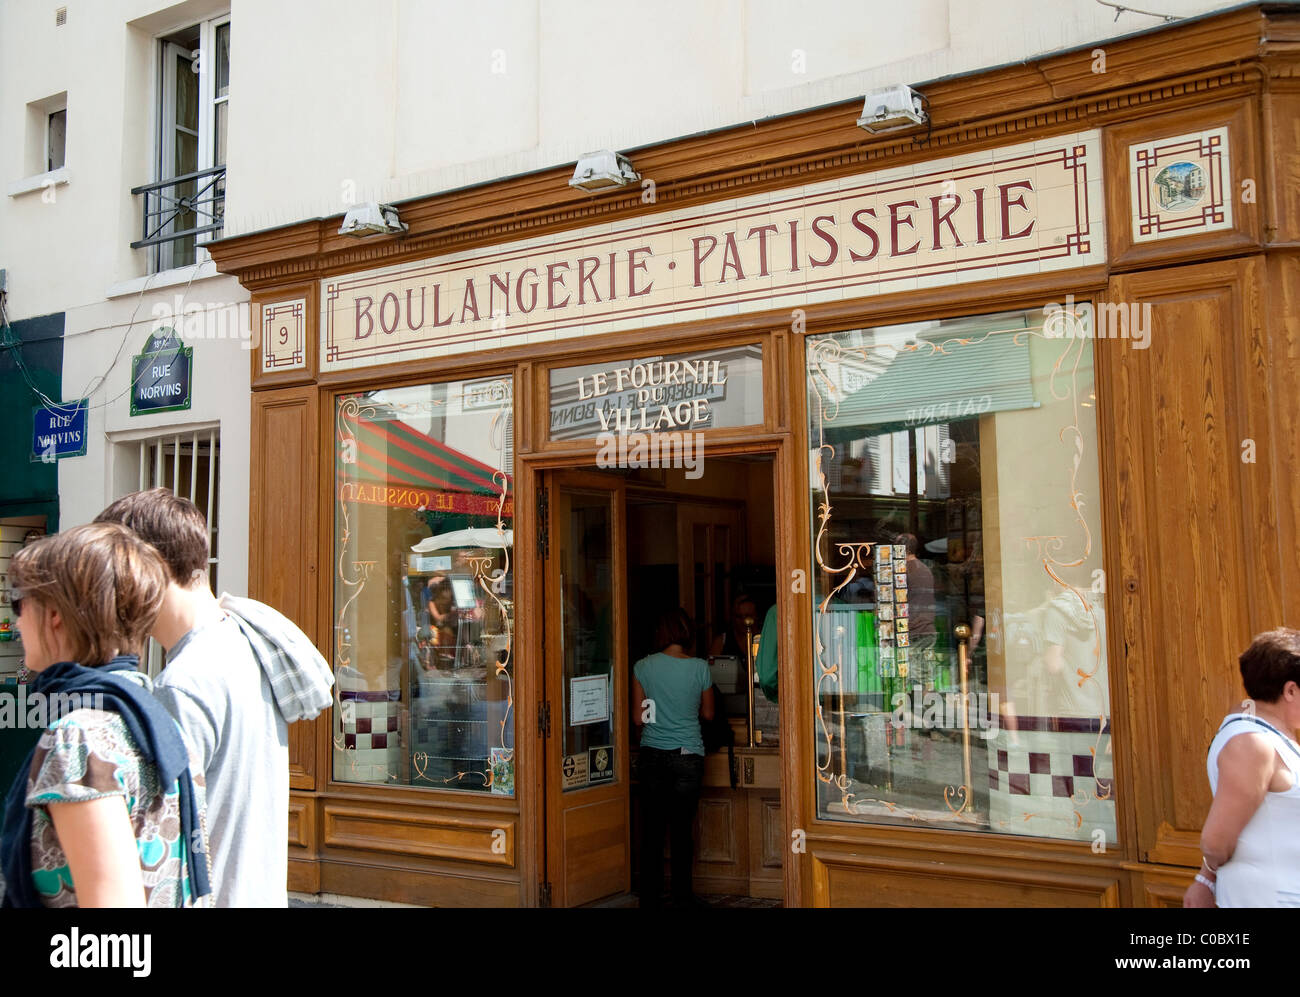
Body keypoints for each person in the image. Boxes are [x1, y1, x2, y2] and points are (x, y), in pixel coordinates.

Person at [95, 489, 333, 907]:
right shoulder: (247, 642)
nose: (110, 588)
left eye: (114, 569)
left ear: (144, 567)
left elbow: (164, 844)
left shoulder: (184, 682)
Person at [0, 523, 210, 907]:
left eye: (18, 601)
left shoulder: (79, 735)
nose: (16, 620)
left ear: (55, 614)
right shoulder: (150, 714)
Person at [1185, 628, 1300, 908]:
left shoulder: (1269, 734)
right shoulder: (1252, 743)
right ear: (1291, 690)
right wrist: (1206, 880)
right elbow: (1216, 842)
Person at [632, 608, 714, 909]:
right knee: (682, 831)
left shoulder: (643, 667)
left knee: (652, 831)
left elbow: (638, 718)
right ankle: (682, 896)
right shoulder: (700, 668)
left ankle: (650, 897)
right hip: (688, 756)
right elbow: (708, 713)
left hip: (653, 755)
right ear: (686, 632)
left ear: (660, 633)